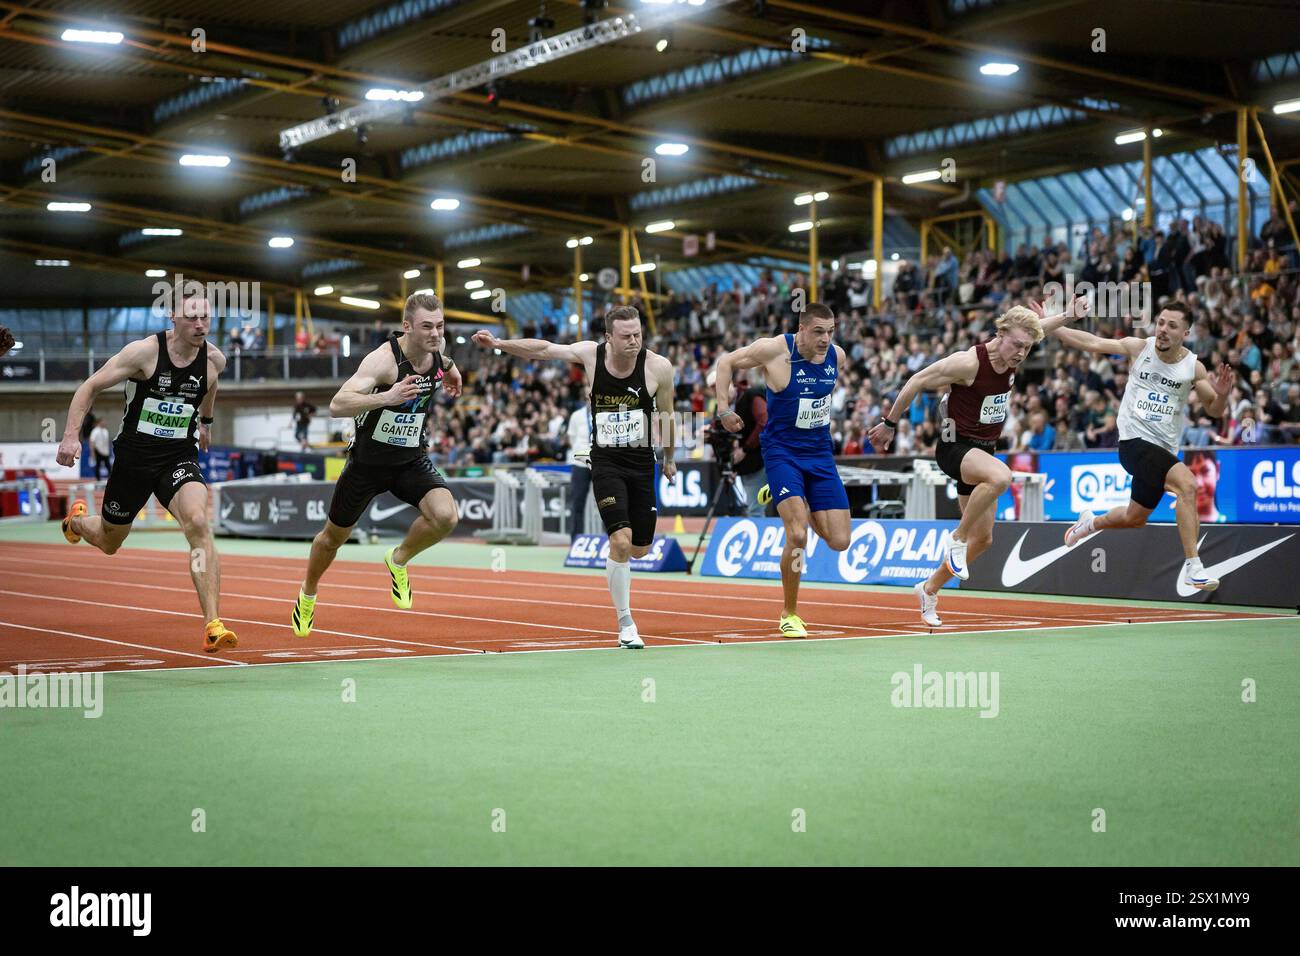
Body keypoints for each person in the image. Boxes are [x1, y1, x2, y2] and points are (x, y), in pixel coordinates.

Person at [868, 297, 1087, 627]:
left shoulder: (1018, 345)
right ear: (1000, 333)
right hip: (954, 447)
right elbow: (916, 380)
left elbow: (1040, 328)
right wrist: (889, 423)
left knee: (984, 539)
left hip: (983, 451)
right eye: (1016, 346)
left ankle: (928, 588)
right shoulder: (968, 362)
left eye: (1027, 349)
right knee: (1001, 477)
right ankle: (956, 538)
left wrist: (1069, 314)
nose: (1020, 354)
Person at [473, 305, 677, 650]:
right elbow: (544, 350)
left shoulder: (659, 367)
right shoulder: (590, 356)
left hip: (642, 462)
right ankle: (626, 621)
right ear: (608, 337)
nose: (634, 341)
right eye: (626, 335)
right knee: (622, 541)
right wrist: (499, 343)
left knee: (641, 549)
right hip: (605, 461)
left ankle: (622, 570)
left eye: (638, 333)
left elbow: (669, 415)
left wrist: (669, 459)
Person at [54, 291, 237, 653]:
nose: (200, 324)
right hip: (134, 460)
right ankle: (76, 522)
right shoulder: (144, 353)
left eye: (206, 317)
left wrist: (206, 422)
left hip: (178, 458)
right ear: (173, 316)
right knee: (110, 541)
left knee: (199, 523)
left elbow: (209, 387)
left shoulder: (215, 360)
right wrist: (71, 436)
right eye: (192, 317)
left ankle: (213, 623)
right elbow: (89, 386)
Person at [290, 293, 463, 638]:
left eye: (440, 325)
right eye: (426, 326)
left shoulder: (438, 355)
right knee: (331, 540)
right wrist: (388, 396)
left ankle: (398, 558)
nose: (435, 333)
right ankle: (307, 593)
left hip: (411, 460)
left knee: (446, 517)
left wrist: (454, 376)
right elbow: (338, 405)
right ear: (407, 327)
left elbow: (447, 363)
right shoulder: (383, 361)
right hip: (366, 465)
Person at [1054, 301, 1234, 589]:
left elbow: (1214, 410)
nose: (1163, 329)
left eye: (1172, 326)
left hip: (1163, 450)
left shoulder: (1193, 367)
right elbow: (1091, 342)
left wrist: (1223, 395)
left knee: (1133, 518)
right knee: (1187, 485)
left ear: (1185, 332)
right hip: (1134, 443)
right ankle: (1193, 566)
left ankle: (1087, 524)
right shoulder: (1139, 347)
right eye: (1161, 322)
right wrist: (1051, 325)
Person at [713, 303, 852, 638]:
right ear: (801, 329)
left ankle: (786, 492)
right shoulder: (774, 350)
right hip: (781, 453)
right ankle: (789, 613)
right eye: (818, 331)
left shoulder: (838, 356)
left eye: (830, 331)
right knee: (798, 534)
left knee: (840, 541)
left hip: (819, 454)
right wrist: (722, 408)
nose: (825, 339)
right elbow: (726, 361)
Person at [566, 402, 592, 540]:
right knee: (577, 503)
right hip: (580, 463)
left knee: (608, 503)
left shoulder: (604, 414)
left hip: (601, 462)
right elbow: (572, 438)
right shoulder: (576, 416)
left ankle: (612, 541)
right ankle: (576, 540)